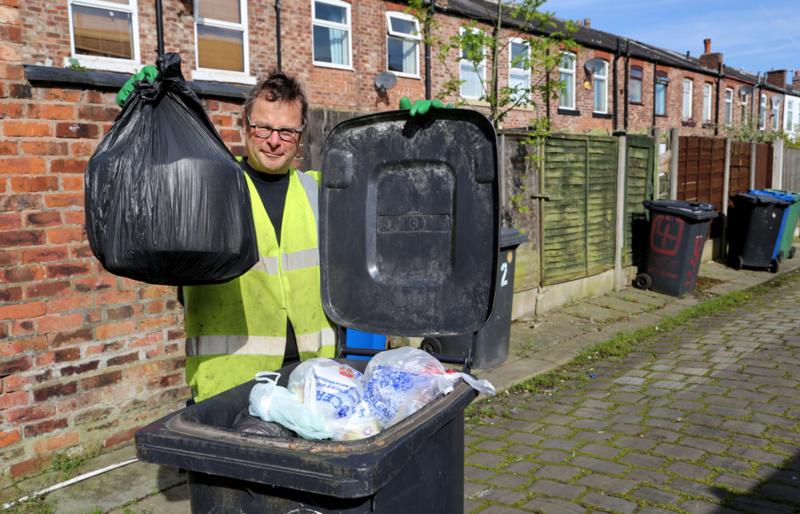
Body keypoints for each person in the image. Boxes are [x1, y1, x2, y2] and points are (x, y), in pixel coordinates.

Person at [118, 69, 337, 401]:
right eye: (263, 127)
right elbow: (147, 192)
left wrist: (416, 134)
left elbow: (386, 196)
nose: (274, 140)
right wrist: (140, 120)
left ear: (301, 135)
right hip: (229, 384)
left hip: (312, 383)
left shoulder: (319, 192)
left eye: (287, 131)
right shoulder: (208, 185)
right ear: (245, 124)